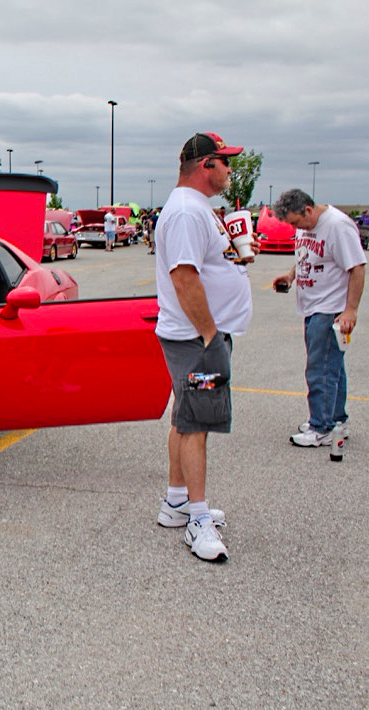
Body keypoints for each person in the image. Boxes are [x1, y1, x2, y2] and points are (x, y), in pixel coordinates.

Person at [154, 131, 253, 563]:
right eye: (226, 162)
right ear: (205, 165)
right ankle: (197, 519)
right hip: (197, 338)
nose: (231, 170)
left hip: (197, 335)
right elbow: (184, 277)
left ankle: (177, 502)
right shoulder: (186, 213)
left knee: (186, 417)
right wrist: (210, 333)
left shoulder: (197, 210)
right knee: (197, 424)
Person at [271, 189, 366, 447]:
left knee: (319, 368)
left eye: (295, 222)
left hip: (329, 307)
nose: (294, 227)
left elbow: (357, 267)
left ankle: (320, 427)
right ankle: (336, 419)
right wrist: (291, 276)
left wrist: (350, 310)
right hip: (311, 306)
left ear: (309, 210)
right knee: (332, 366)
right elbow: (308, 255)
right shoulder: (306, 226)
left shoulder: (337, 226)